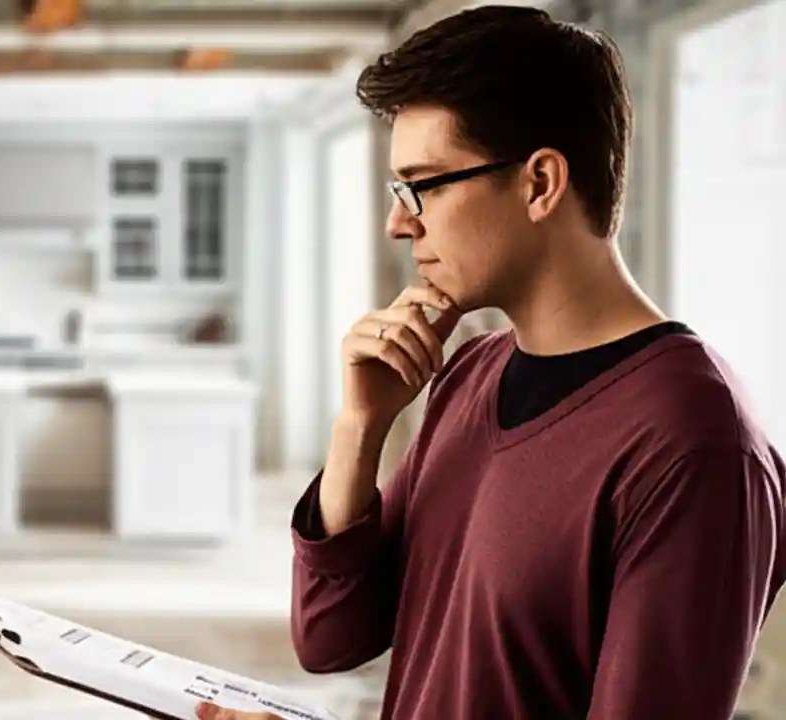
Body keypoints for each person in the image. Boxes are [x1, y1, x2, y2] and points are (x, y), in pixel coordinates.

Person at [193, 5, 786, 720]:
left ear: (539, 183)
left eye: (425, 184)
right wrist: (361, 426)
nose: (399, 221)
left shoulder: (694, 446)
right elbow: (330, 636)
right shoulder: (471, 374)